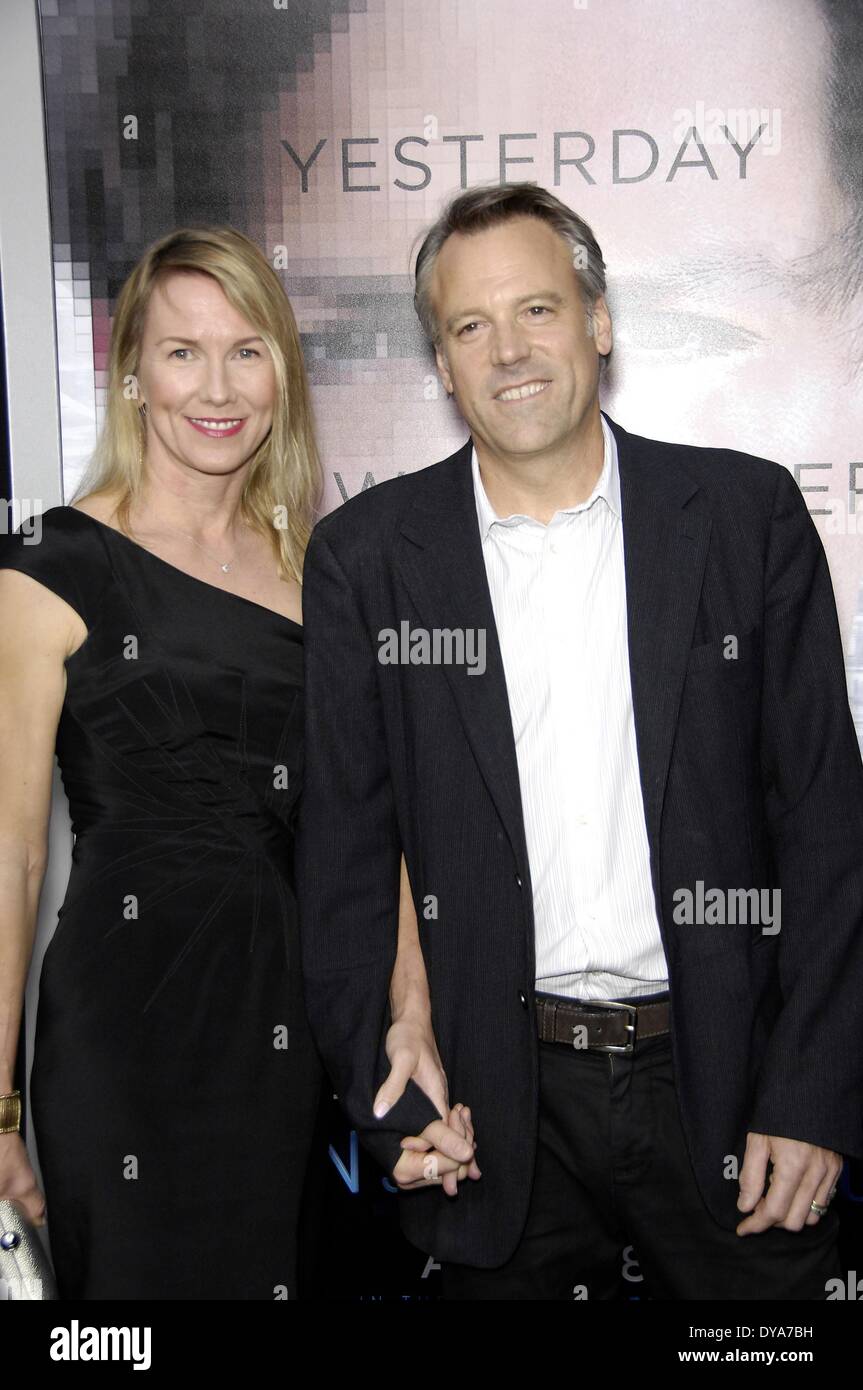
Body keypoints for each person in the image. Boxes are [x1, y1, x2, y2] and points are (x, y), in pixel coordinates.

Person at [296, 182, 863, 1299]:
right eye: (469, 327)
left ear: (598, 323)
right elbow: (345, 864)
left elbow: (825, 830)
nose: (507, 350)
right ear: (442, 364)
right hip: (493, 1109)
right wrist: (394, 1098)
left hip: (727, 1091)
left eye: (537, 311)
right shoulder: (364, 559)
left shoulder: (745, 520)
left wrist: (808, 1090)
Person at [0, 224, 471, 1300]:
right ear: (131, 376)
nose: (216, 385)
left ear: (282, 377)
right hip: (122, 1034)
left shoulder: (326, 576)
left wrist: (408, 1020)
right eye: (181, 351)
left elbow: (369, 833)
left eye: (247, 349)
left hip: (288, 1039)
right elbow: (10, 857)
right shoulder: (51, 563)